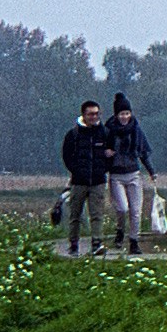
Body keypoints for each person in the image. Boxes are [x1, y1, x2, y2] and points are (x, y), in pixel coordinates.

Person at [57, 100, 116, 257]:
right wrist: (76, 171)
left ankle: (97, 243)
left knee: (97, 214)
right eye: (91, 114)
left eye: (96, 114)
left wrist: (104, 168)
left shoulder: (105, 133)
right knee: (74, 215)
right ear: (84, 115)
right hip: (78, 182)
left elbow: (111, 153)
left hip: (98, 181)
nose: (94, 117)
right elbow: (66, 156)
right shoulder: (73, 135)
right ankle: (73, 245)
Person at [104, 92, 154, 254]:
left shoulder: (136, 130)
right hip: (116, 175)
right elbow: (101, 148)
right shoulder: (109, 130)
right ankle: (120, 230)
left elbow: (143, 153)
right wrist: (106, 152)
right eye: (121, 114)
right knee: (122, 208)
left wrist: (151, 171)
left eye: (127, 113)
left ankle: (134, 241)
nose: (124, 117)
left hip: (134, 173)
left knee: (135, 210)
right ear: (116, 115)